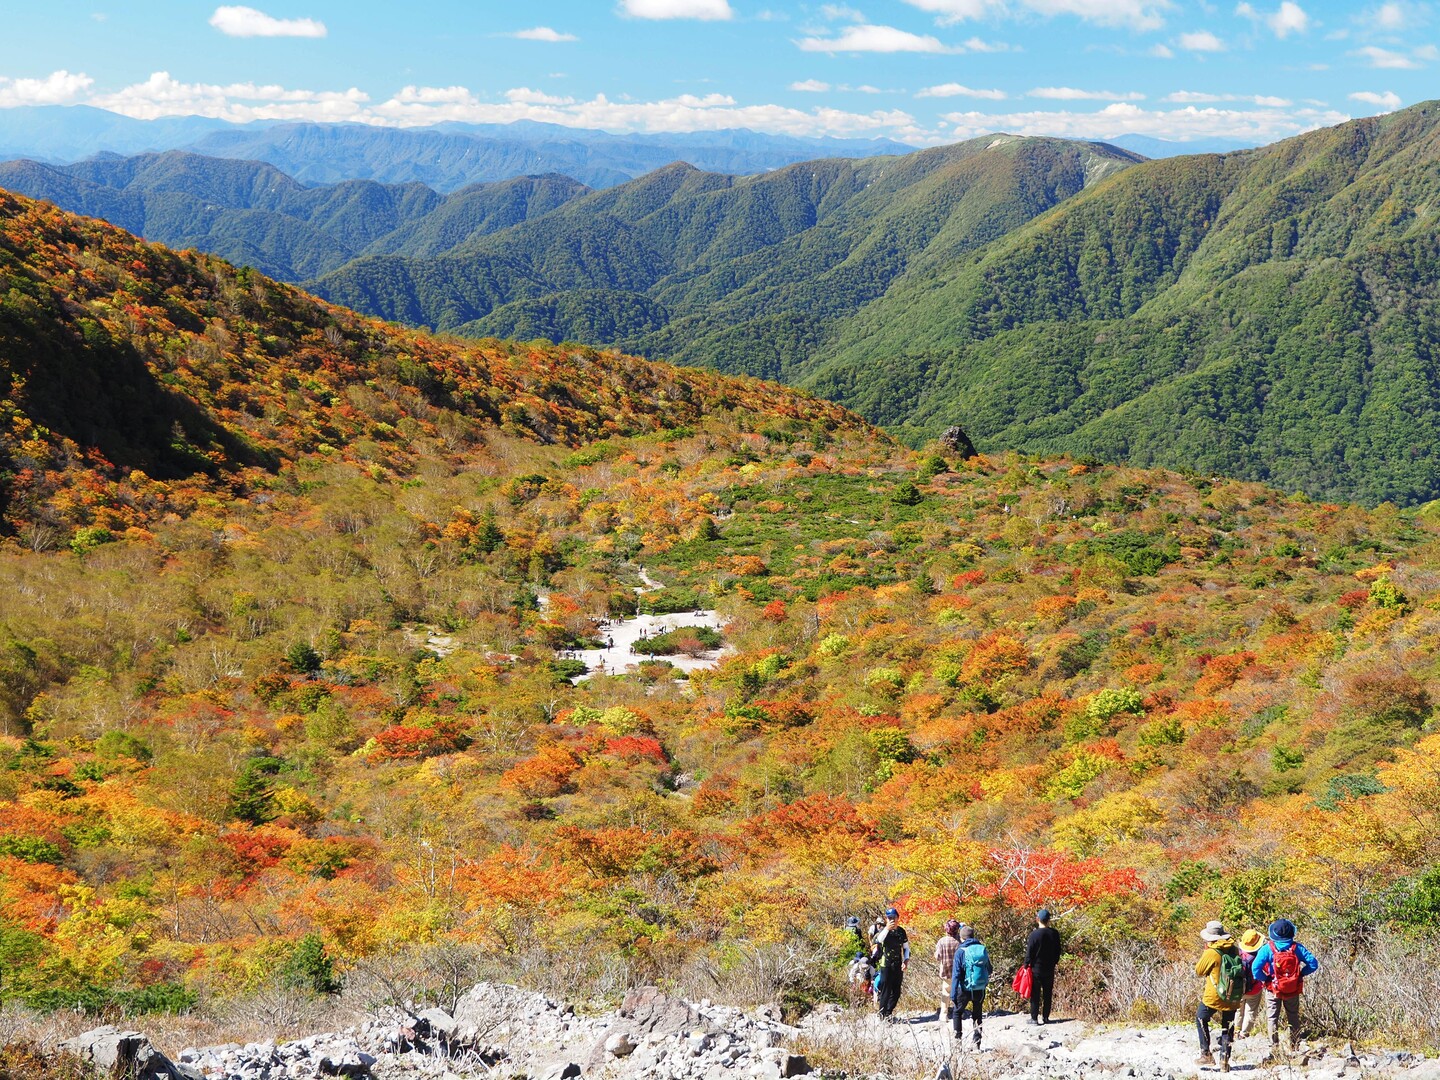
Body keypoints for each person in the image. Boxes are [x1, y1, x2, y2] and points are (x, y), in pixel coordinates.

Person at [1250, 918, 1319, 1060]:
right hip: (1292, 989)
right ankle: (1294, 1045)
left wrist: (1266, 979)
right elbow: (1313, 964)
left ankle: (1274, 1047)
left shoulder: (1267, 949)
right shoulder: (1297, 948)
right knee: (1293, 1016)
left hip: (1273, 989)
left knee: (1272, 1017)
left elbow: (1255, 968)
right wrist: (1300, 975)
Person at [1194, 921, 1244, 1071]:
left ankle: (1206, 1054)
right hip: (1233, 994)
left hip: (1215, 995)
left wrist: (1206, 952)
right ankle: (1224, 1061)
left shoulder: (1211, 952)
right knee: (1227, 1025)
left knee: (1201, 1017)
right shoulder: (1234, 949)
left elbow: (1199, 971)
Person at [951, 925, 992, 1048]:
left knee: (957, 1013)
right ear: (973, 936)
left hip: (963, 989)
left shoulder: (960, 951)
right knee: (977, 1014)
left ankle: (958, 1042)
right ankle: (977, 1043)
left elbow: (956, 974)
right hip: (979, 989)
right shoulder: (982, 949)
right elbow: (990, 969)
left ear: (961, 938)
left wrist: (953, 993)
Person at [1024, 908, 1062, 1025]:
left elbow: (1029, 952)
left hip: (1036, 969)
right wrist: (1054, 962)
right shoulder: (1054, 933)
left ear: (1038, 919)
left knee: (1035, 994)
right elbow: (1058, 951)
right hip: (1049, 968)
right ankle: (1046, 1017)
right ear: (1048, 920)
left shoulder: (1034, 935)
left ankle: (1034, 1018)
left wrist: (1026, 964)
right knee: (1047, 994)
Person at [872, 907, 910, 1021]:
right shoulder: (883, 931)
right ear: (886, 919)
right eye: (889, 918)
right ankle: (882, 1015)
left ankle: (889, 1012)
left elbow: (906, 948)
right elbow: (879, 939)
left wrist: (906, 960)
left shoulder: (901, 932)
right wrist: (887, 928)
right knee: (885, 990)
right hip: (886, 964)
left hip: (898, 963)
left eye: (893, 917)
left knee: (897, 991)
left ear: (898, 918)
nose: (892, 920)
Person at [1236, 928, 1265, 1037]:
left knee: (1238, 1010)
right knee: (1251, 1011)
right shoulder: (1259, 955)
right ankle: (1244, 1033)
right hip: (1254, 988)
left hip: (1239, 988)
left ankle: (1235, 1030)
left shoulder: (1237, 953)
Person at [935, 920, 961, 1020]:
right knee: (958, 992)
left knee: (946, 993)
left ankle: (943, 1015)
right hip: (958, 971)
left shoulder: (942, 941)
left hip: (946, 971)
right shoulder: (960, 941)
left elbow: (937, 957)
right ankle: (958, 1013)